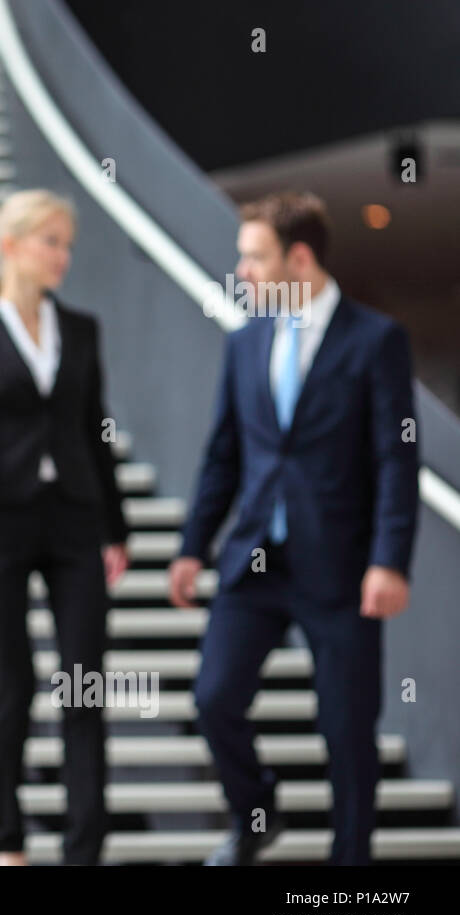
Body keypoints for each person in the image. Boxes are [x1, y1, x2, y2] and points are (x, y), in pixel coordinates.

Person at [169, 191, 419, 866]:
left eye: (254, 258)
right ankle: (256, 816)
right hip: (254, 560)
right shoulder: (246, 341)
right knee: (215, 696)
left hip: (339, 568)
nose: (242, 272)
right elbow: (225, 453)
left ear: (298, 258)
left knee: (346, 727)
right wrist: (193, 548)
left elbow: (397, 457)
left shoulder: (374, 341)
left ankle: (350, 869)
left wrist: (389, 560)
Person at [0, 190, 129, 866]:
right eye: (52, 241)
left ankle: (85, 847)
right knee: (12, 685)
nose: (63, 256)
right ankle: (6, 841)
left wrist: (116, 529)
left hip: (76, 518)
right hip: (1, 521)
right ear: (13, 246)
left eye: (67, 244)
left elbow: (94, 431)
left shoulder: (80, 329)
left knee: (83, 686)